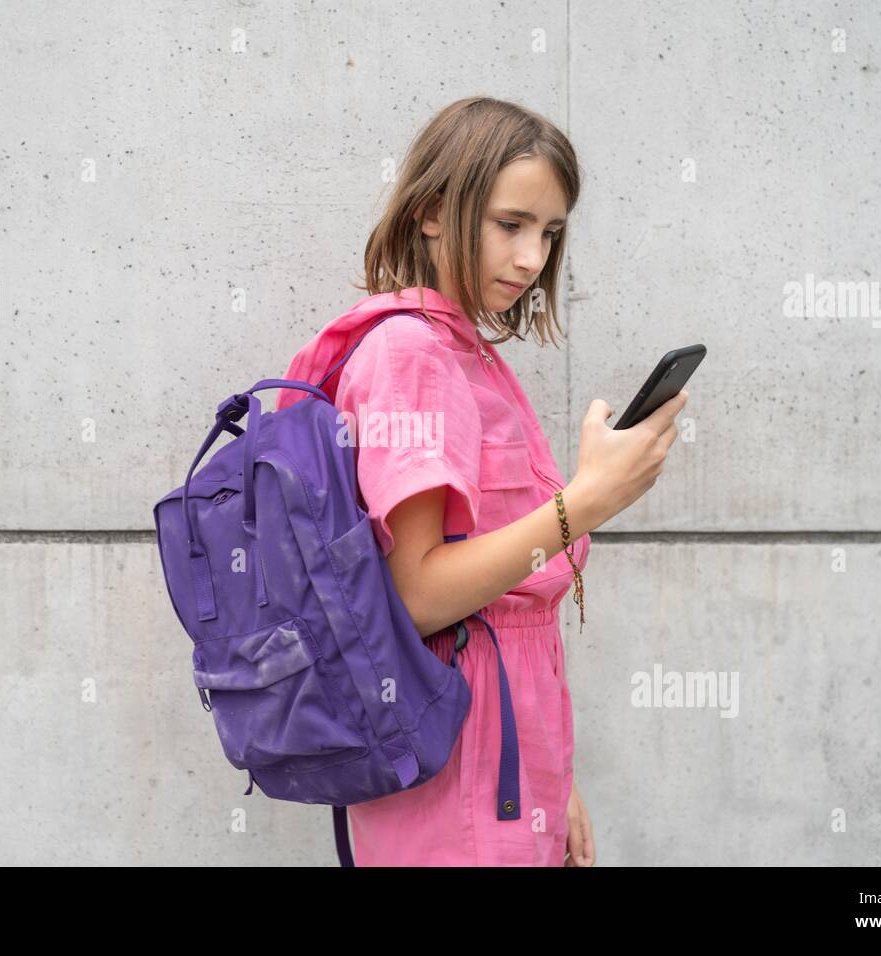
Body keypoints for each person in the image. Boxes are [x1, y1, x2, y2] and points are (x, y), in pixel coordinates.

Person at [277, 96, 688, 865]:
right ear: (433, 213)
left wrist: (554, 777)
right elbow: (421, 594)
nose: (533, 258)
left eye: (550, 233)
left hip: (504, 755)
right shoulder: (412, 355)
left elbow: (504, 611)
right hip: (457, 767)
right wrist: (588, 501)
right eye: (511, 225)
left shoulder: (467, 353)